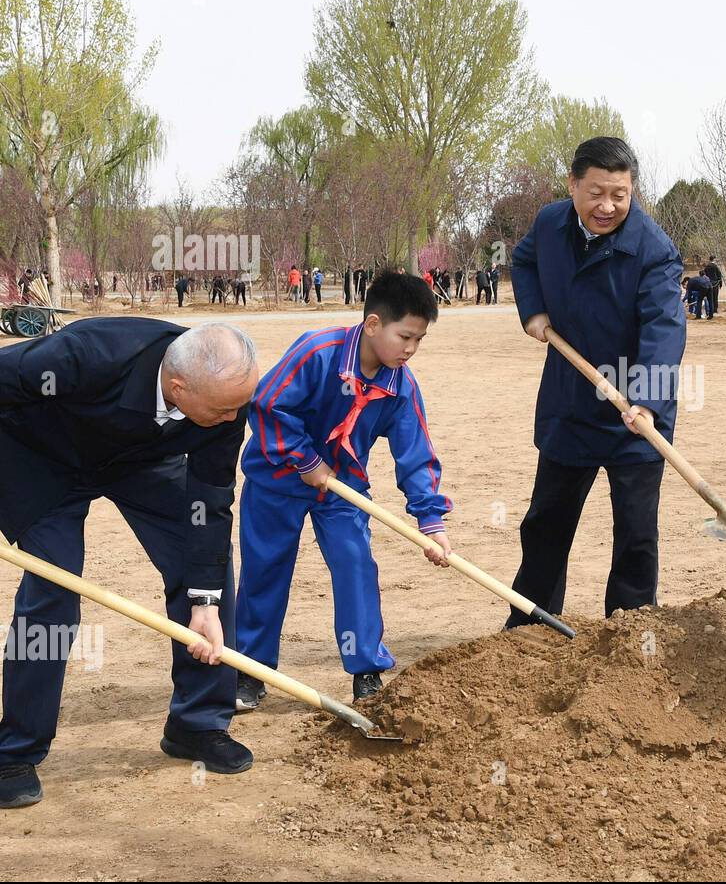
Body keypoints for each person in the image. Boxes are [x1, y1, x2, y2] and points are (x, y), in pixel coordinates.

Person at [0, 321, 260, 807]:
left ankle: (196, 723)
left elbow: (211, 495)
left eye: (237, 408)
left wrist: (204, 601)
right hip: (39, 459)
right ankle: (15, 749)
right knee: (54, 588)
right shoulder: (87, 354)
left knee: (202, 559)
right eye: (223, 410)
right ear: (178, 387)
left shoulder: (226, 397)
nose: (233, 420)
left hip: (136, 458)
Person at [234, 272, 453, 708]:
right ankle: (250, 669)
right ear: (373, 325)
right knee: (265, 571)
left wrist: (431, 521)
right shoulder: (318, 352)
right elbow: (266, 404)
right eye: (405, 336)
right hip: (276, 481)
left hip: (342, 487)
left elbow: (415, 453)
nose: (410, 349)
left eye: (419, 340)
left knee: (356, 566)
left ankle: (366, 667)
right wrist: (306, 460)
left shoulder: (400, 385)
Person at [507, 136, 685, 628]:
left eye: (620, 194)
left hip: (634, 409)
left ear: (633, 191)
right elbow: (523, 263)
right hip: (571, 400)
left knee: (636, 532)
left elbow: (664, 329)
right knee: (546, 522)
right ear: (573, 185)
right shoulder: (549, 224)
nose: (607, 206)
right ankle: (531, 623)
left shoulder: (654, 249)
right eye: (596, 193)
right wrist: (534, 311)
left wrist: (647, 401)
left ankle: (630, 629)